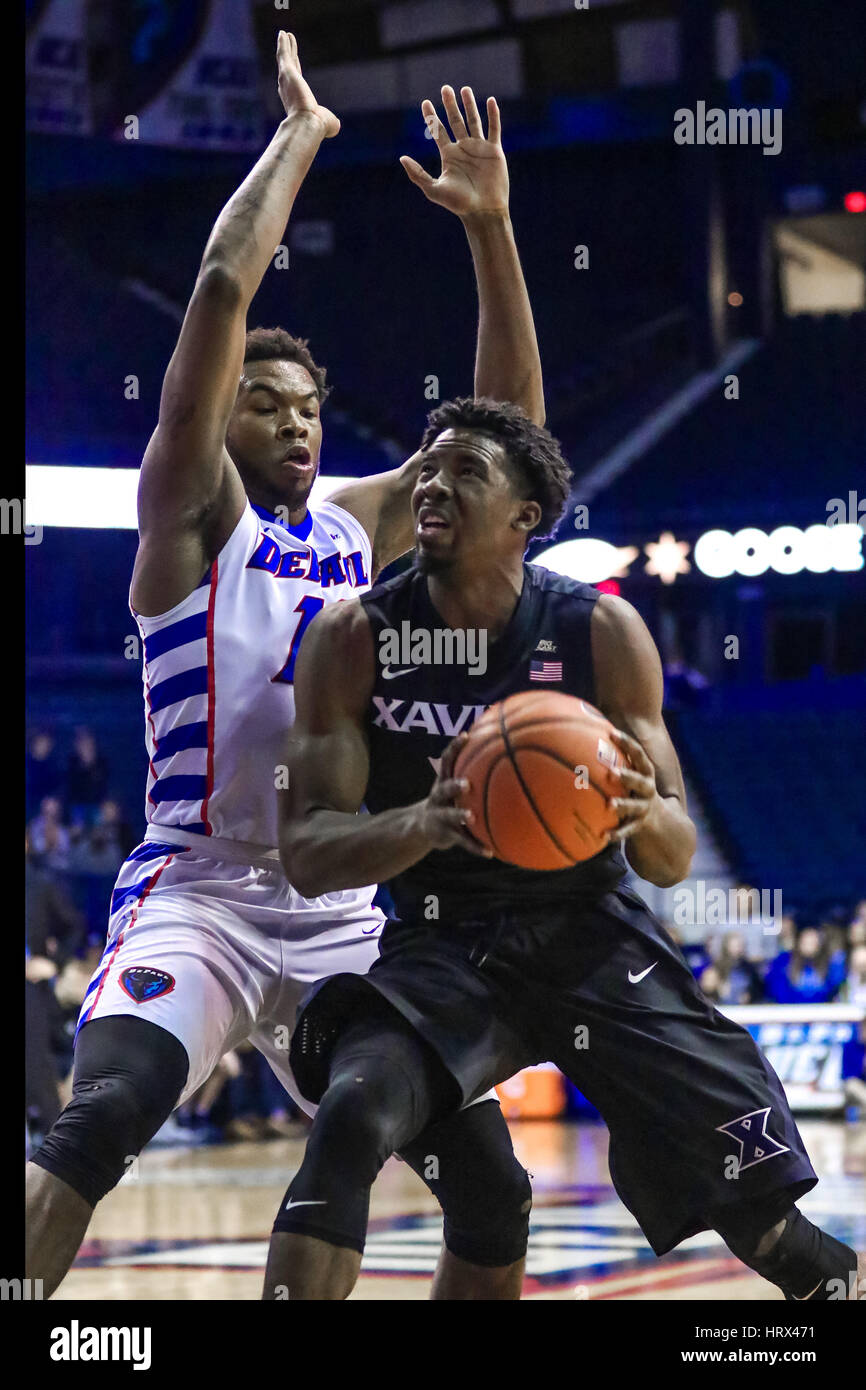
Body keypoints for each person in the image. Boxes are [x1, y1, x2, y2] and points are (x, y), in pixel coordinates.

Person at [26, 34, 545, 1302]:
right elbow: (217, 287)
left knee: (492, 1187)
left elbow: (503, 448)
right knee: (101, 1121)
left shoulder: (358, 531)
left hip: (336, 900)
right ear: (224, 421)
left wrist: (489, 231)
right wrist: (298, 140)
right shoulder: (189, 515)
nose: (295, 418)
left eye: (309, 403)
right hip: (199, 889)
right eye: (268, 401)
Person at [274, 396, 862, 1301]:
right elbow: (309, 853)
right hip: (444, 941)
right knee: (351, 1114)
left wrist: (640, 810)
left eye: (466, 469)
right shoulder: (356, 635)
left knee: (769, 1224)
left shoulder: (598, 630)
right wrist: (420, 825)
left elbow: (671, 856)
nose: (432, 483)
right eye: (427, 466)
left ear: (527, 516)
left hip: (591, 932)